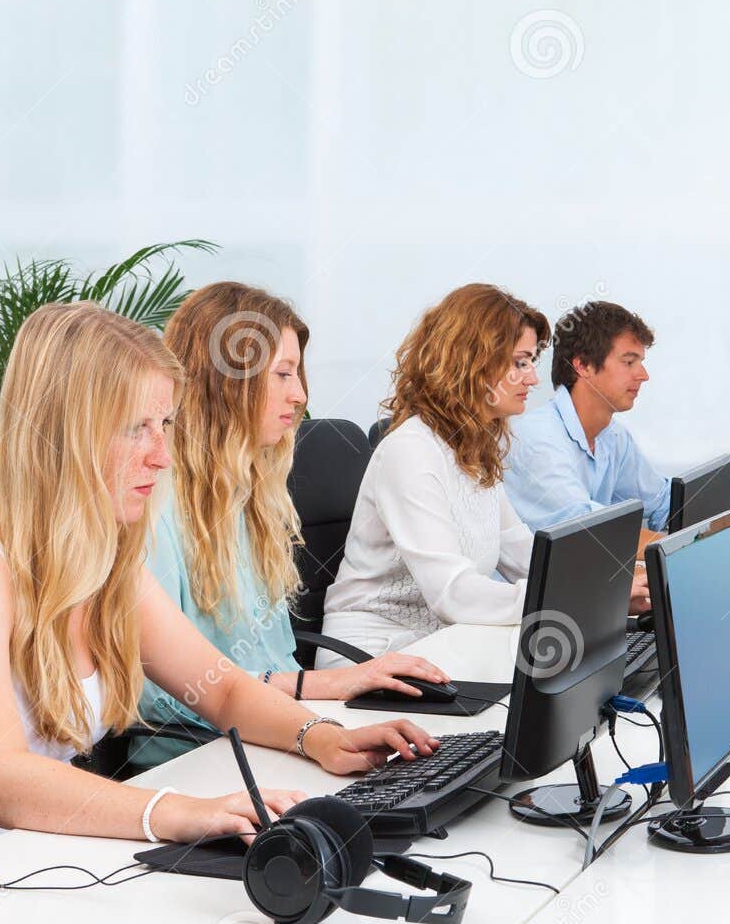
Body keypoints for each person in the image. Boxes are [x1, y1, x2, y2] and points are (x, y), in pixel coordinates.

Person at [0, 303, 437, 865]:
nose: (162, 456)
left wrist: (324, 738)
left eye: (167, 425)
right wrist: (175, 812)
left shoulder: (104, 555)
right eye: (137, 429)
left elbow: (221, 689)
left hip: (30, 853)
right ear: (64, 434)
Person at [139, 283, 452, 759]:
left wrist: (326, 701)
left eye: (297, 374)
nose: (300, 395)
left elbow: (273, 658)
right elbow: (156, 696)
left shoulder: (253, 495)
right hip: (199, 757)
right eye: (283, 374)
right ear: (227, 382)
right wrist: (325, 687)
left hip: (277, 733)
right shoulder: (154, 504)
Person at [321, 285, 650, 663]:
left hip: (442, 646)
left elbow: (526, 555)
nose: (533, 379)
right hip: (371, 656)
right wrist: (587, 599)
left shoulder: (476, 449)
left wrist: (611, 588)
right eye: (520, 362)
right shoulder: (411, 451)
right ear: (472, 363)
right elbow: (453, 594)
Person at [503, 300, 670, 552]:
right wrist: (694, 546)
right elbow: (591, 533)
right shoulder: (538, 440)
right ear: (582, 365)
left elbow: (661, 502)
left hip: (581, 581)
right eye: (628, 362)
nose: (643, 375)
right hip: (525, 589)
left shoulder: (613, 436)